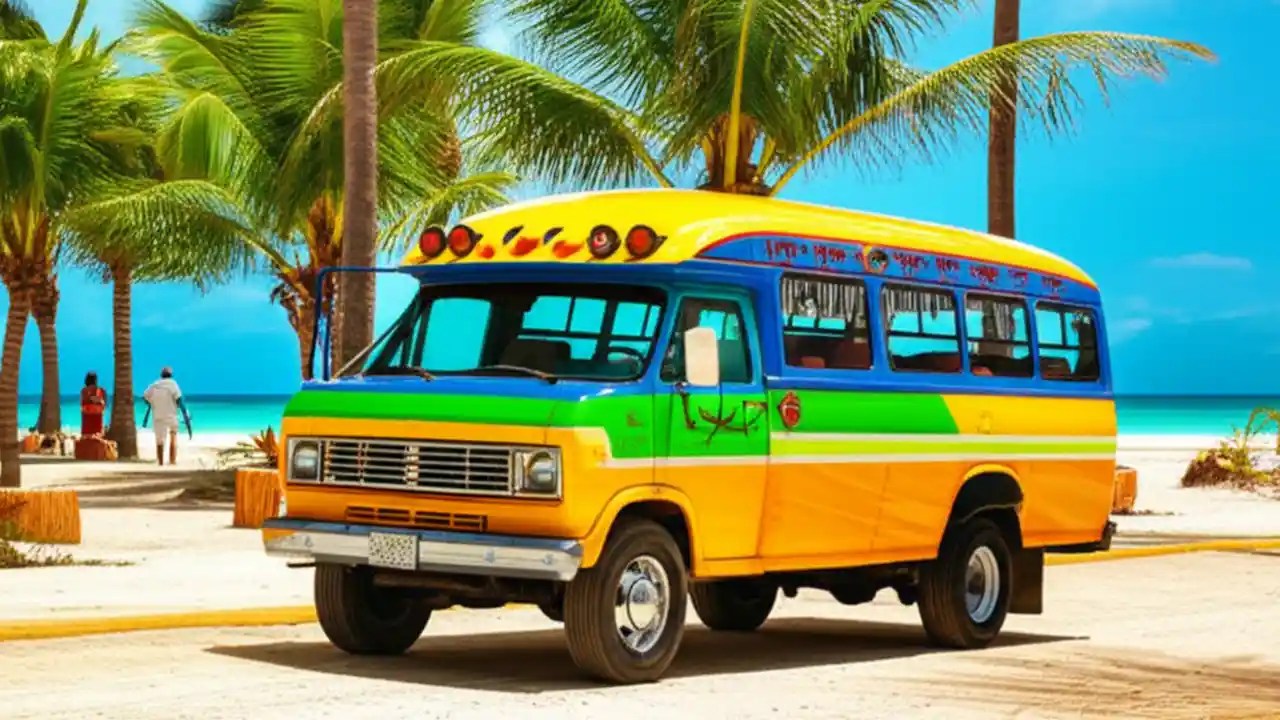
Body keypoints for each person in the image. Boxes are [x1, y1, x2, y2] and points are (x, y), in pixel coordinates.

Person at [143, 367, 190, 466]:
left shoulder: (154, 385)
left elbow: (145, 397)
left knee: (159, 440)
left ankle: (160, 462)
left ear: (161, 375)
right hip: (171, 415)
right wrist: (186, 418)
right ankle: (172, 461)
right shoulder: (173, 384)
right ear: (171, 375)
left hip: (158, 415)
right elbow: (180, 402)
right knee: (173, 435)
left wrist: (152, 404)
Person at [80, 372, 108, 437]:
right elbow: (104, 405)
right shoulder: (101, 390)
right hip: (98, 414)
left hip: (87, 415)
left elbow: (83, 404)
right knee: (97, 434)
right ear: (96, 380)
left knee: (87, 435)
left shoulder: (84, 390)